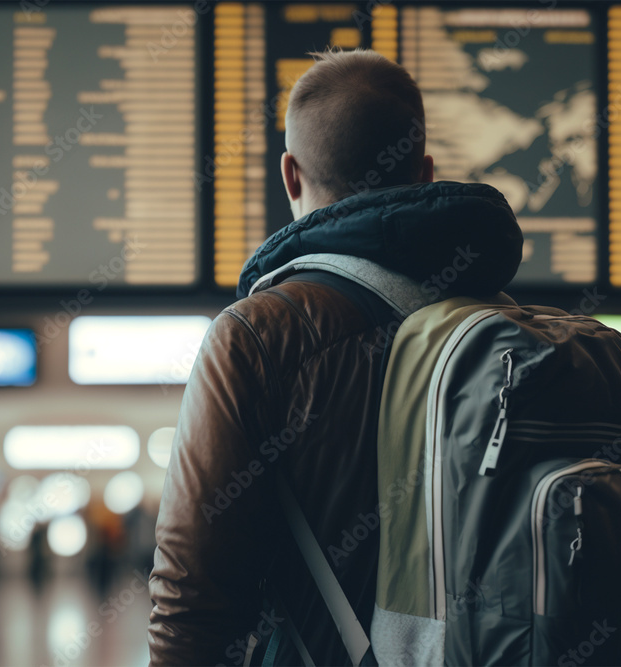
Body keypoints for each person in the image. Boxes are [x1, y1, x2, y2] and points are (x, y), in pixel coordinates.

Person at [148, 49, 523, 665]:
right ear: (424, 172)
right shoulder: (505, 322)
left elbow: (194, 594)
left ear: (290, 175)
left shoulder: (259, 335)